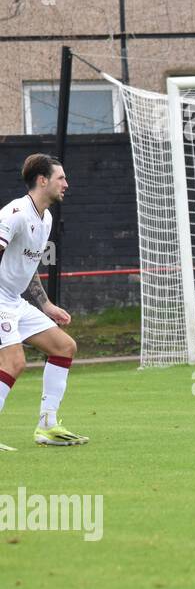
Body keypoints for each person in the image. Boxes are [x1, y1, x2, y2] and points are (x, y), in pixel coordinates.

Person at [0, 155, 87, 448]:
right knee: (14, 362)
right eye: (61, 178)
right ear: (42, 180)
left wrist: (45, 304)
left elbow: (30, 263)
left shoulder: (46, 218)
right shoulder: (15, 212)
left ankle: (47, 426)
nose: (66, 183)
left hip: (14, 301)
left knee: (64, 346)